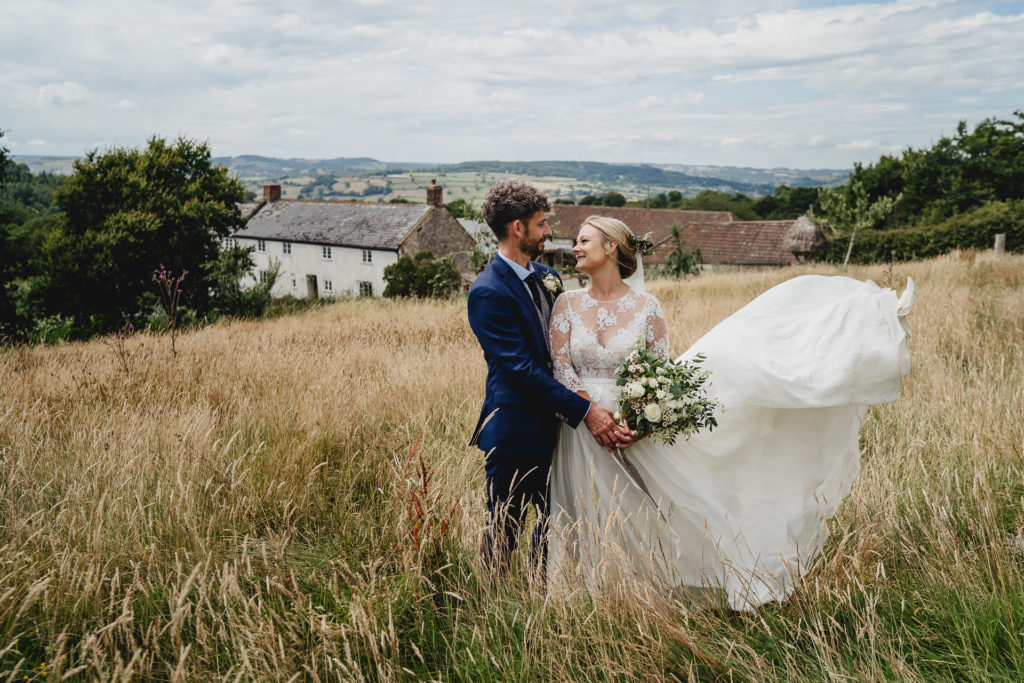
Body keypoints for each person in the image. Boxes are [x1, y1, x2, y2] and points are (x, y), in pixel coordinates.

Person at [546, 216, 915, 610]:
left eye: (584, 240)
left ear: (611, 247)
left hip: (630, 430)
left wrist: (639, 424)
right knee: (583, 511)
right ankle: (584, 602)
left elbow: (659, 372)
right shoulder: (566, 304)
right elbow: (561, 367)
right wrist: (590, 413)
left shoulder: (647, 308)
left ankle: (642, 600)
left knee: (639, 511)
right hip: (581, 429)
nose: (576, 247)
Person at [467, 181, 634, 573]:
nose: (548, 232)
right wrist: (588, 411)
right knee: (504, 528)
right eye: (542, 224)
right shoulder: (488, 292)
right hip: (515, 431)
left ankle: (544, 593)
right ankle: (492, 603)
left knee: (554, 526)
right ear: (518, 229)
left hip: (559, 433)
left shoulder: (545, 275)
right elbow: (522, 371)